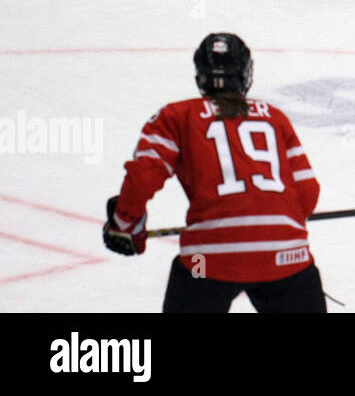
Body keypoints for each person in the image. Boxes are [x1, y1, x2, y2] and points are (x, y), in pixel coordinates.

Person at [102, 33, 326, 313]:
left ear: (200, 76)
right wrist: (268, 230)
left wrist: (124, 225)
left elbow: (143, 177)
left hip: (206, 262)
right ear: (246, 73)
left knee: (196, 276)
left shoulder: (177, 116)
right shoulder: (274, 117)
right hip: (287, 260)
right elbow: (308, 196)